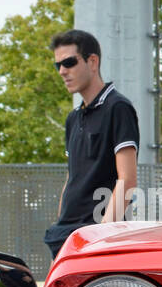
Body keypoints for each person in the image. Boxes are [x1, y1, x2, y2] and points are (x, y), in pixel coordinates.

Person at [45, 29, 139, 259]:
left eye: (69, 62)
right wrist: (60, 223)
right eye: (58, 66)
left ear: (92, 61)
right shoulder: (73, 118)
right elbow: (72, 177)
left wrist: (103, 235)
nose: (63, 71)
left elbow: (127, 179)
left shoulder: (118, 108)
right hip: (65, 237)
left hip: (95, 237)